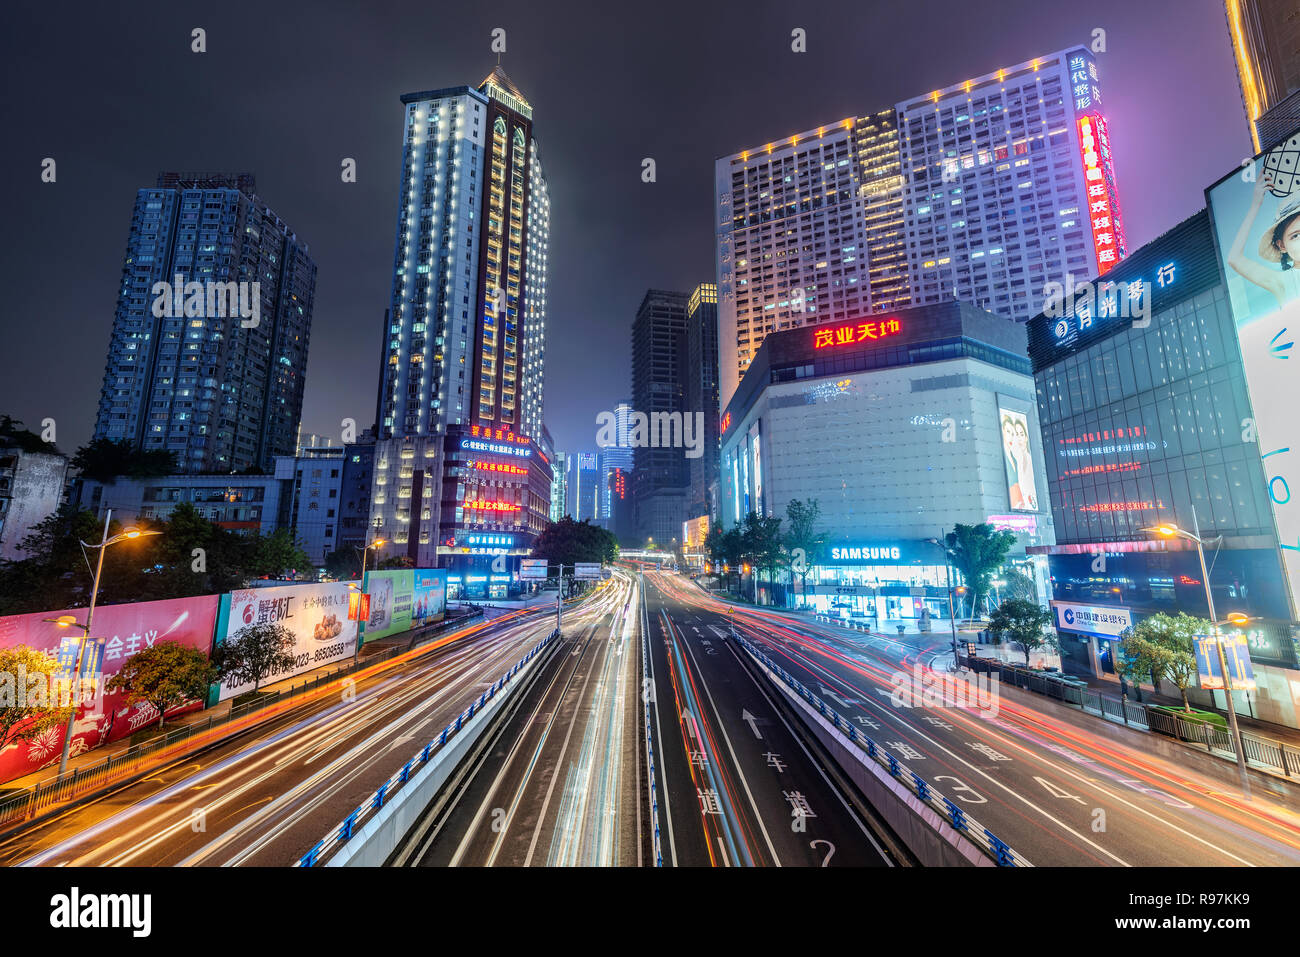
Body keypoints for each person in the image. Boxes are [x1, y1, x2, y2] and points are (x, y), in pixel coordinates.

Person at [1227, 173, 1300, 311]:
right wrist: (1255, 204)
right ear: (1282, 245)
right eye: (1295, 236)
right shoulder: (1284, 282)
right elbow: (1234, 258)